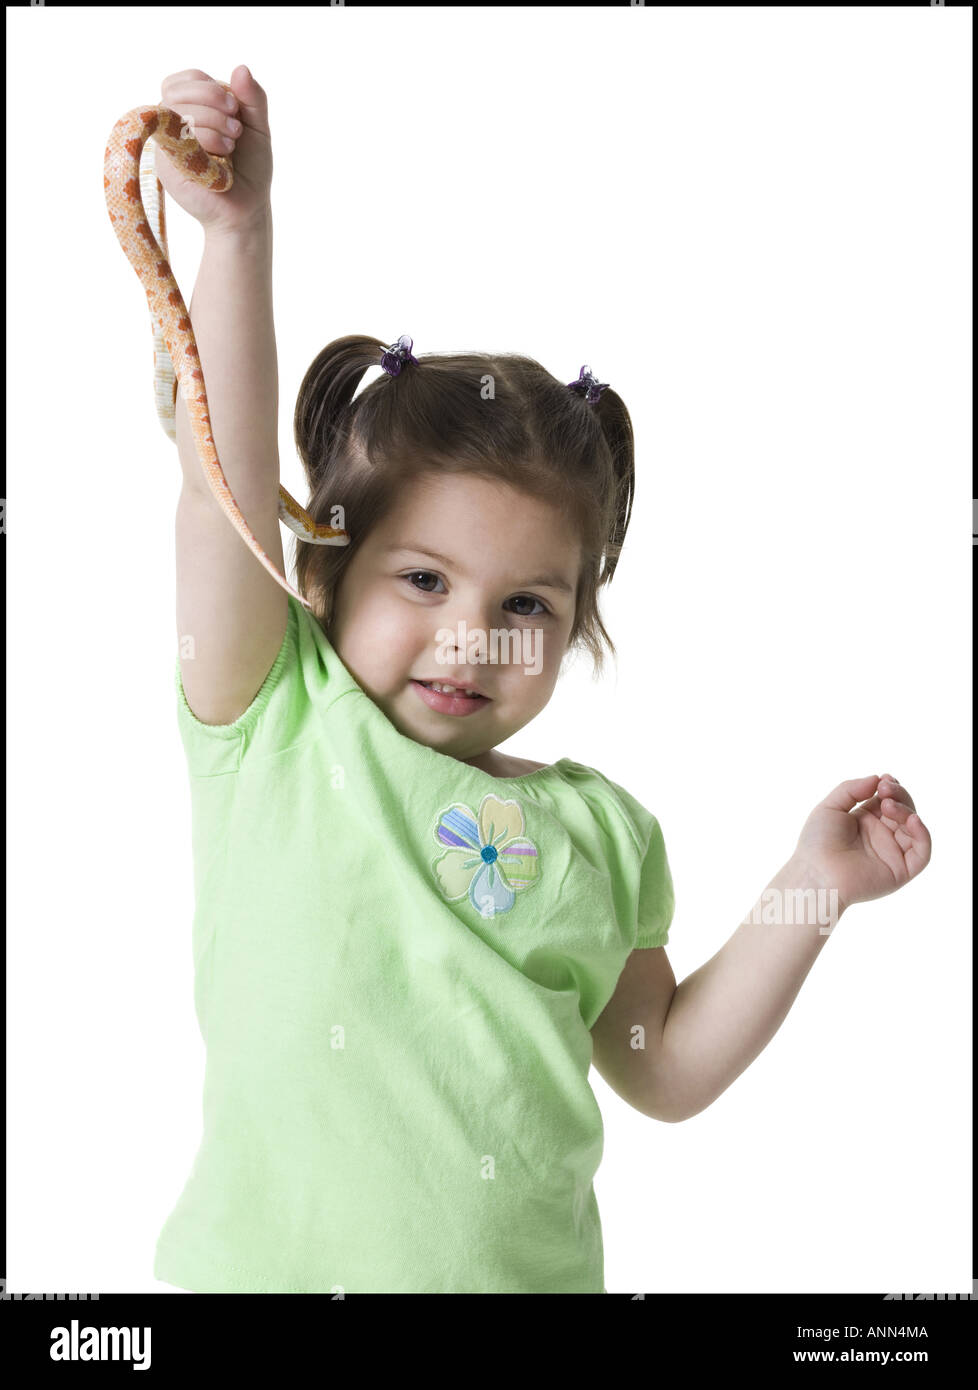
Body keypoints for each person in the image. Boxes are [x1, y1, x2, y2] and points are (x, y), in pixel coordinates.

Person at [152, 66, 932, 1294]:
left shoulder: (602, 835)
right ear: (320, 577)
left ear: (574, 631)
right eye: (421, 581)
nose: (472, 638)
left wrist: (813, 886)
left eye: (526, 605)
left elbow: (663, 1064)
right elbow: (223, 489)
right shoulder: (276, 722)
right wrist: (239, 236)